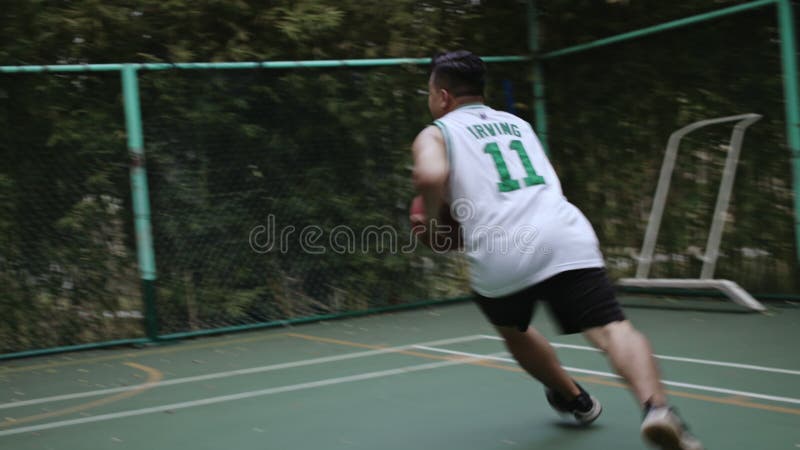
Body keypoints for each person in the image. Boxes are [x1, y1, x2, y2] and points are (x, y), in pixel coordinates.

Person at [410, 50, 704, 450]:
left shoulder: (437, 131)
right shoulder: (518, 125)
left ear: (442, 96)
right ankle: (657, 409)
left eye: (429, 92)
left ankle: (572, 397)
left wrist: (429, 221)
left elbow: (430, 174)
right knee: (611, 328)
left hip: (503, 249)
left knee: (514, 329)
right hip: (563, 232)